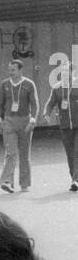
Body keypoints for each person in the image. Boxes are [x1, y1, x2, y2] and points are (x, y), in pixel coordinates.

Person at [0, 59, 38, 193]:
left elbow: (35, 104)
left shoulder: (29, 84)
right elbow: (0, 103)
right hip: (9, 122)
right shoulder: (5, 84)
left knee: (24, 154)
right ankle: (7, 181)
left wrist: (32, 120)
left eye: (13, 70)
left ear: (20, 70)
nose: (11, 72)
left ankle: (24, 184)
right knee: (11, 152)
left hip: (25, 122)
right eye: (9, 70)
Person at [44, 59, 78, 192]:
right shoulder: (57, 88)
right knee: (70, 154)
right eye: (62, 72)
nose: (64, 75)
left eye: (66, 72)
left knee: (77, 152)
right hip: (65, 126)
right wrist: (46, 114)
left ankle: (76, 179)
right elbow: (50, 103)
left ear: (71, 72)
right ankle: (74, 179)